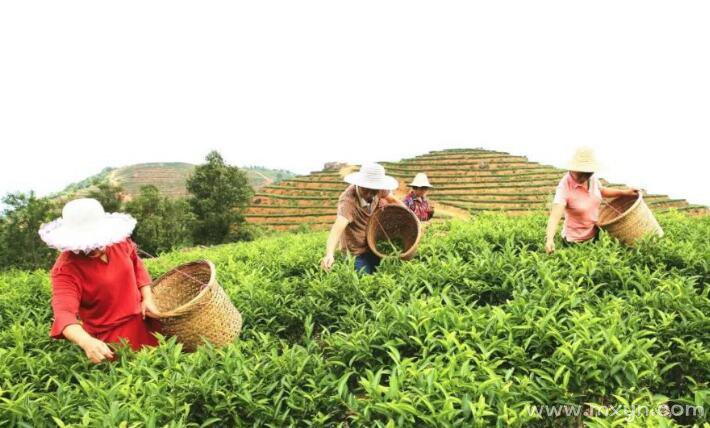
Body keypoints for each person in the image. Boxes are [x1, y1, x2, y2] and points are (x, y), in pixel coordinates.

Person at [38, 198, 162, 364]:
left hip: (146, 322)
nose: (97, 247)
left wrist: (147, 297)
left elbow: (136, 264)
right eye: (87, 243)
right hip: (113, 341)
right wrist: (86, 342)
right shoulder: (66, 270)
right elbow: (64, 314)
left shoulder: (117, 242)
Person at [545, 147, 639, 253]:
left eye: (588, 173)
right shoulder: (564, 187)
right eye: (580, 173)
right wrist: (549, 240)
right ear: (571, 168)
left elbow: (601, 190)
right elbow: (554, 217)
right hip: (574, 241)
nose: (584, 177)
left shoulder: (592, 179)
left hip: (595, 235)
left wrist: (624, 193)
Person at [320, 163, 402, 274]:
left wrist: (413, 217)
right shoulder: (348, 202)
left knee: (382, 274)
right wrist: (329, 254)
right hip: (355, 251)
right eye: (365, 189)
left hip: (372, 245)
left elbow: (393, 200)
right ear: (359, 184)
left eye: (373, 191)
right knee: (365, 282)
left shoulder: (379, 189)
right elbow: (336, 229)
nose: (369, 194)